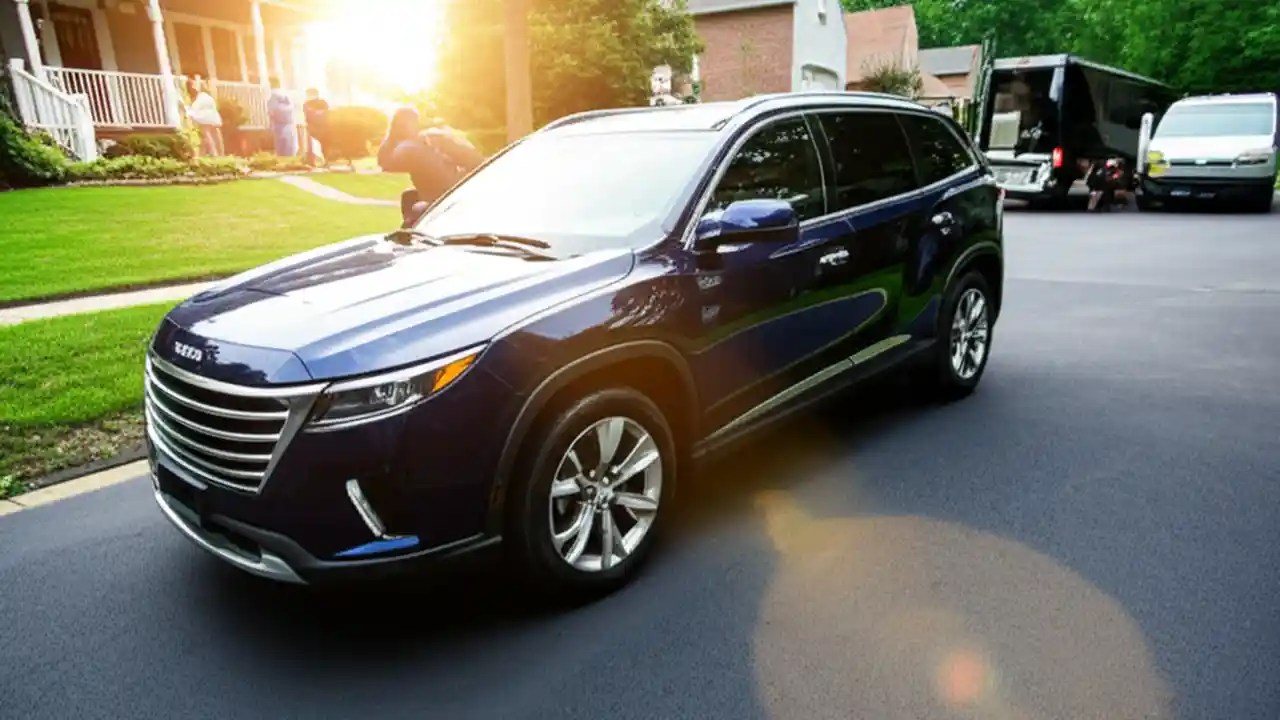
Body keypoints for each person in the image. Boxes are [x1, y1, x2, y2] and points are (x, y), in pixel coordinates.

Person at [378, 108, 485, 224]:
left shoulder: (433, 139)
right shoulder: (409, 147)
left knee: (416, 207)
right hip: (435, 195)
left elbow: (473, 159)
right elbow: (386, 163)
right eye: (400, 126)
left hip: (448, 194)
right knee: (409, 197)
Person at [185, 76, 223, 157]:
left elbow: (192, 110)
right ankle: (216, 155)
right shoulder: (204, 95)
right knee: (211, 137)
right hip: (212, 116)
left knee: (207, 136)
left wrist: (188, 113)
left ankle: (214, 155)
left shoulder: (198, 97)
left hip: (204, 117)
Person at [266, 80, 298, 157]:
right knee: (290, 144)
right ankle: (291, 158)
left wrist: (271, 122)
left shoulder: (272, 95)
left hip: (279, 122)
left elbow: (271, 110)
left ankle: (283, 159)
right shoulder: (286, 94)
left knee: (281, 144)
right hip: (290, 121)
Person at [301, 87, 330, 166]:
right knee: (323, 146)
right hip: (322, 128)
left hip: (314, 129)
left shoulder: (308, 104)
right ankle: (323, 161)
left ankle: (320, 161)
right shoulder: (322, 103)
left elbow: (308, 116)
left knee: (320, 146)